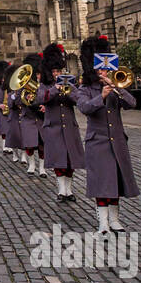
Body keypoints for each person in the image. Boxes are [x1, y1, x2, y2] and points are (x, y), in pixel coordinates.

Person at [75, 37, 139, 233]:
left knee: (116, 182)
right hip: (98, 142)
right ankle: (103, 222)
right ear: (92, 69)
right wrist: (101, 96)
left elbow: (132, 104)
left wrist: (117, 88)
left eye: (105, 68)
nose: (103, 72)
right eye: (99, 69)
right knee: (102, 182)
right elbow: (85, 108)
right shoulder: (85, 89)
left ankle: (114, 220)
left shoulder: (115, 87)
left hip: (117, 141)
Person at [36, 42, 85, 202]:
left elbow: (79, 100)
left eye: (59, 70)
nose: (57, 74)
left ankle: (69, 191)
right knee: (59, 160)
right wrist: (55, 89)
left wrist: (69, 90)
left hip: (69, 127)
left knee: (70, 161)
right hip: (53, 127)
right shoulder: (44, 85)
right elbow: (40, 99)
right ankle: (61, 190)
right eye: (54, 71)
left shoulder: (69, 84)